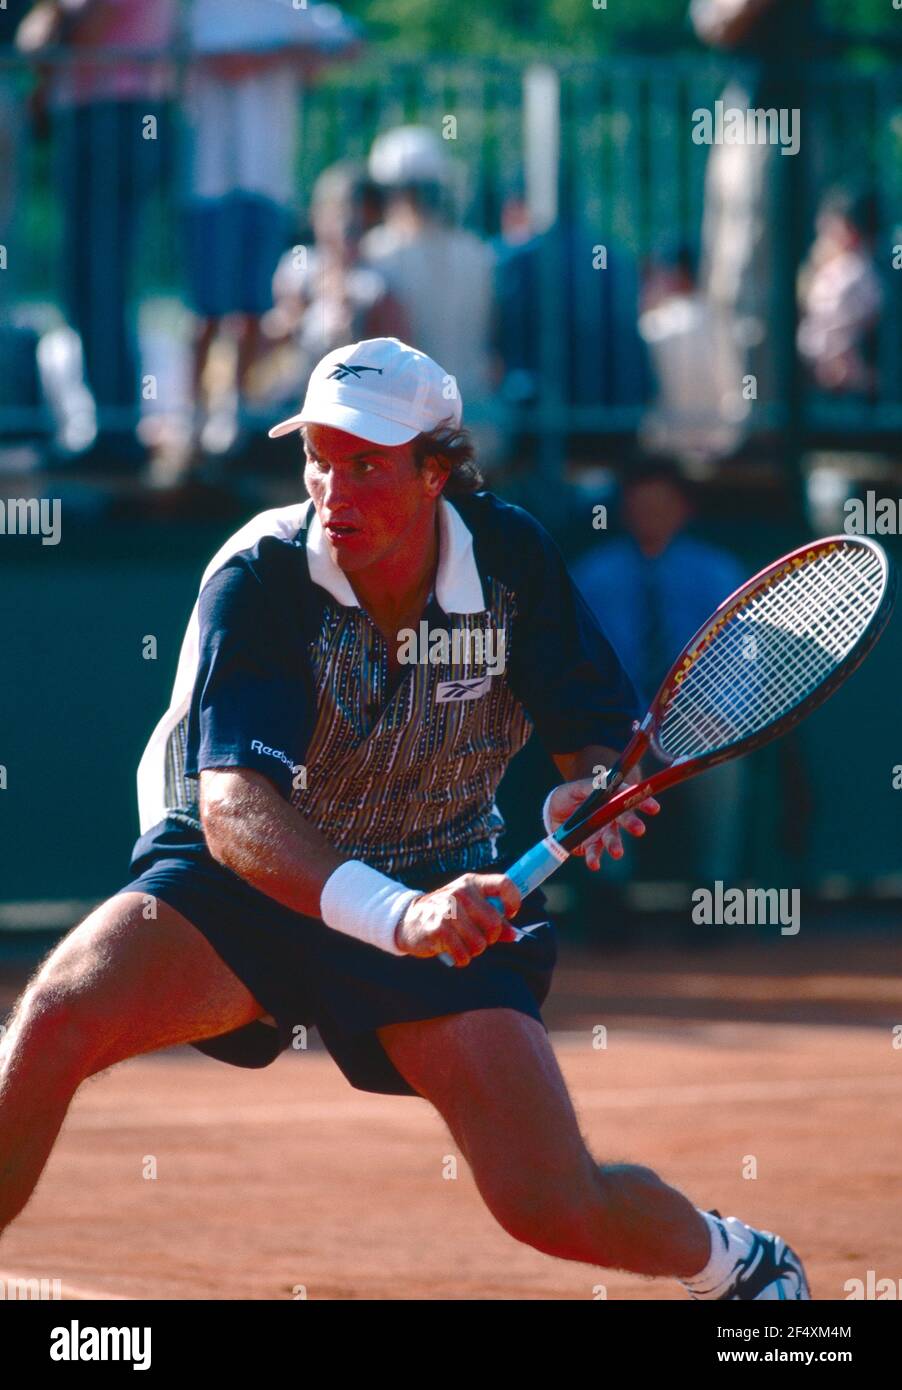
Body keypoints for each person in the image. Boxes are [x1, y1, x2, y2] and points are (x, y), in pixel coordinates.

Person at [0, 339, 809, 1300]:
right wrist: (396, 916)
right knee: (56, 1019)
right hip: (244, 884)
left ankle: (738, 1265)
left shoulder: (511, 561)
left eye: (368, 464)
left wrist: (580, 794)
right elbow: (231, 811)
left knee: (552, 1203)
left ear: (437, 471)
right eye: (319, 459)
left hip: (440, 877)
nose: (333, 490)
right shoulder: (260, 574)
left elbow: (594, 748)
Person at [572, 459, 747, 888]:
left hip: (694, 717)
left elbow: (741, 664)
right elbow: (574, 666)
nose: (649, 516)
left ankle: (713, 886)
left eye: (660, 505)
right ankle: (608, 894)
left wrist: (708, 715)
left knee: (719, 760)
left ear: (683, 510)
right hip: (619, 720)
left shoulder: (718, 573)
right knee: (601, 765)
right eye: (640, 506)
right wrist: (609, 720)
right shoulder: (594, 575)